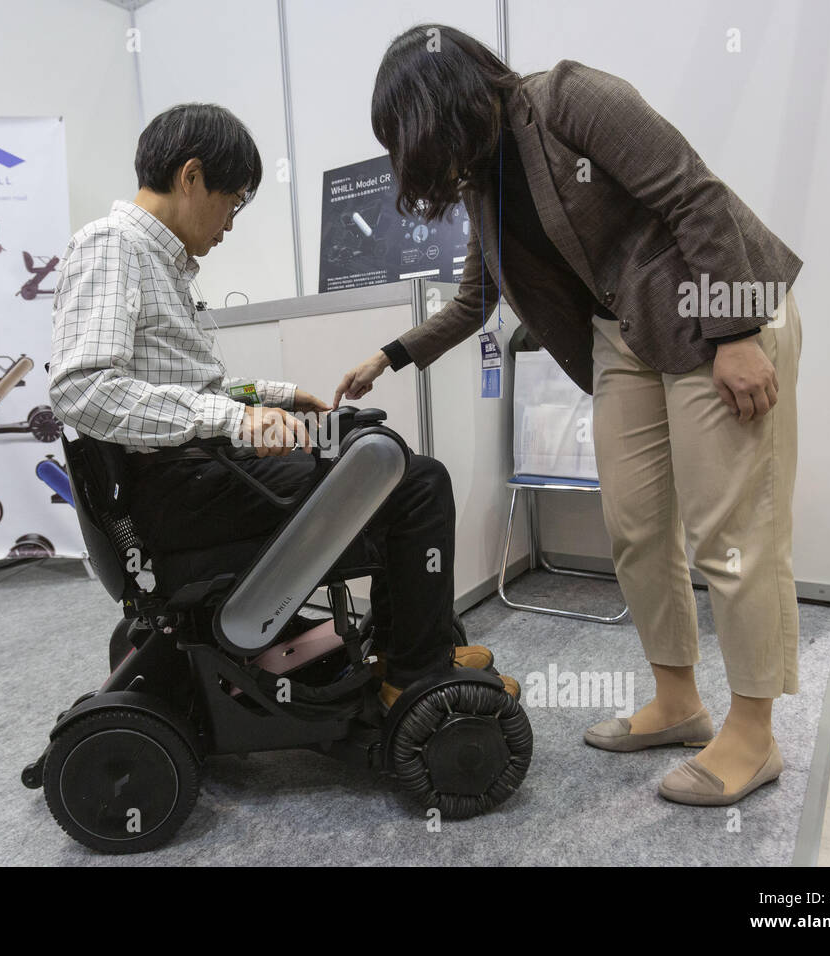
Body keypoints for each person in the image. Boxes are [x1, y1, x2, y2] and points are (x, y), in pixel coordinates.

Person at [336, 26, 802, 806]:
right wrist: (390, 355)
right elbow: (474, 302)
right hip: (625, 337)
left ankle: (754, 735)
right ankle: (680, 701)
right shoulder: (485, 183)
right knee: (635, 524)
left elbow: (692, 192)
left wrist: (738, 333)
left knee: (732, 532)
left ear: (450, 103)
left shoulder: (568, 100)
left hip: (713, 313)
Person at [49, 103, 495, 709]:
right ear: (191, 177)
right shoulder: (112, 248)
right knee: (413, 483)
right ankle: (414, 676)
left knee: (377, 457)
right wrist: (235, 419)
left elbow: (177, 387)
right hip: (179, 488)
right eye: (231, 201)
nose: (230, 223)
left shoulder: (155, 260)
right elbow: (83, 390)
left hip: (189, 472)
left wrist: (276, 397)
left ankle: (409, 646)